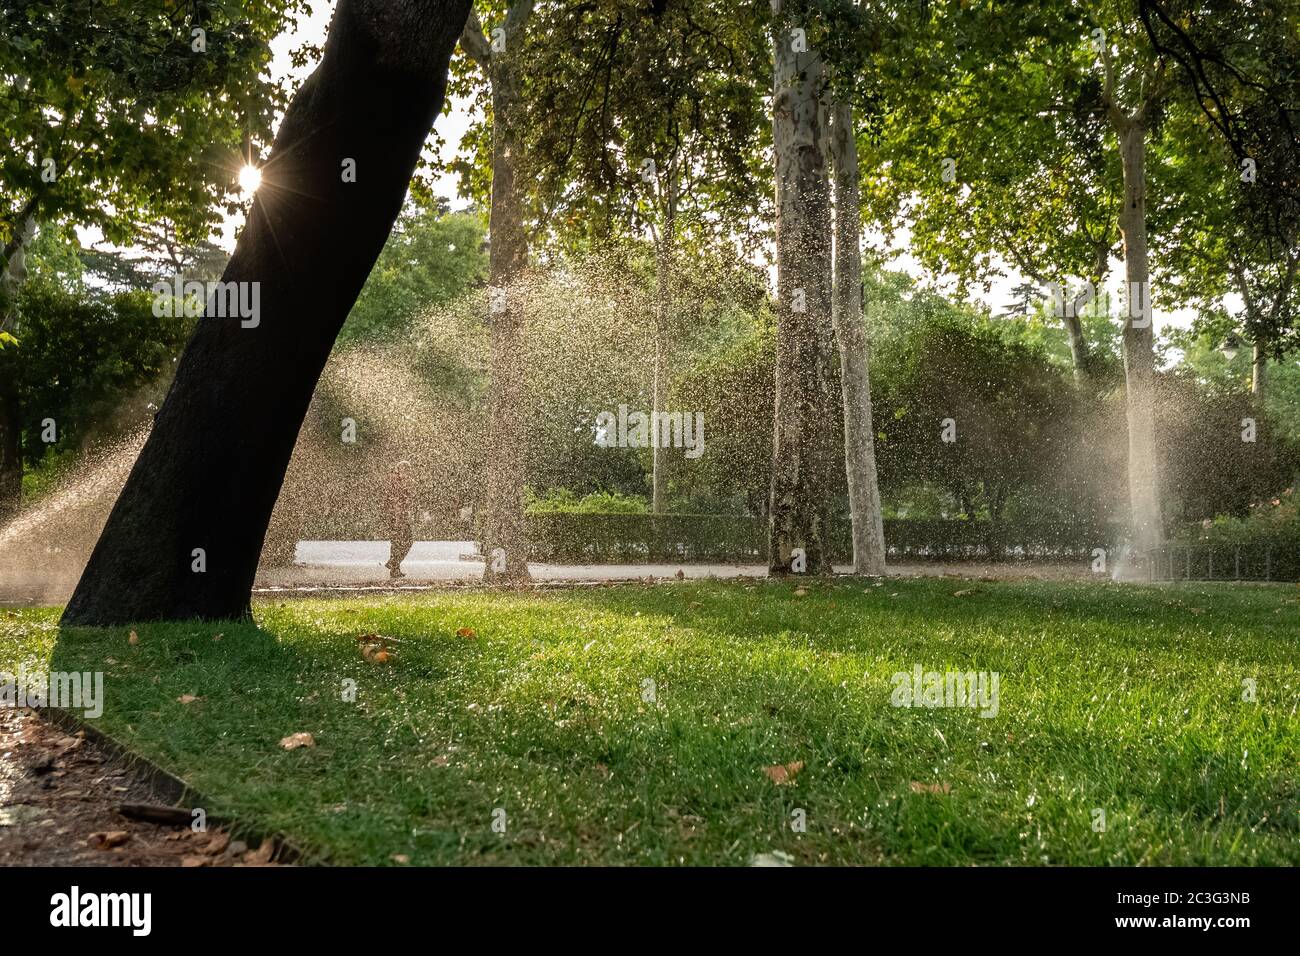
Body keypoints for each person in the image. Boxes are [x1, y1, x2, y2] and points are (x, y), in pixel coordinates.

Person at [383, 460, 415, 579]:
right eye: (406, 472)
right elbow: (396, 502)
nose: (408, 475)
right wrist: (397, 519)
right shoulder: (397, 483)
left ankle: (394, 566)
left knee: (398, 543)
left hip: (397, 517)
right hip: (397, 518)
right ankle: (394, 564)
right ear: (400, 471)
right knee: (406, 541)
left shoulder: (397, 481)